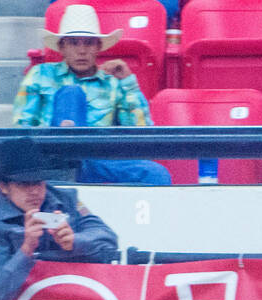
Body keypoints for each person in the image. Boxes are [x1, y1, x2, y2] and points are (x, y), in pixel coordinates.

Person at [12, 4, 171, 186]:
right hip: (50, 159)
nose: (82, 50)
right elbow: (21, 127)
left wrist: (128, 83)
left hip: (97, 162)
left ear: (98, 47)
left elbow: (140, 133)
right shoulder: (40, 75)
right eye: (73, 43)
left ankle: (73, 169)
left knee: (156, 174)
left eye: (88, 43)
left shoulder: (112, 83)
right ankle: (67, 166)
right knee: (71, 94)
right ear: (62, 47)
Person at [0, 136, 119, 300]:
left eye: (38, 182)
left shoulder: (67, 200)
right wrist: (26, 250)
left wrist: (74, 241)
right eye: (24, 184)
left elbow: (108, 240)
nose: (34, 191)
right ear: (4, 187)